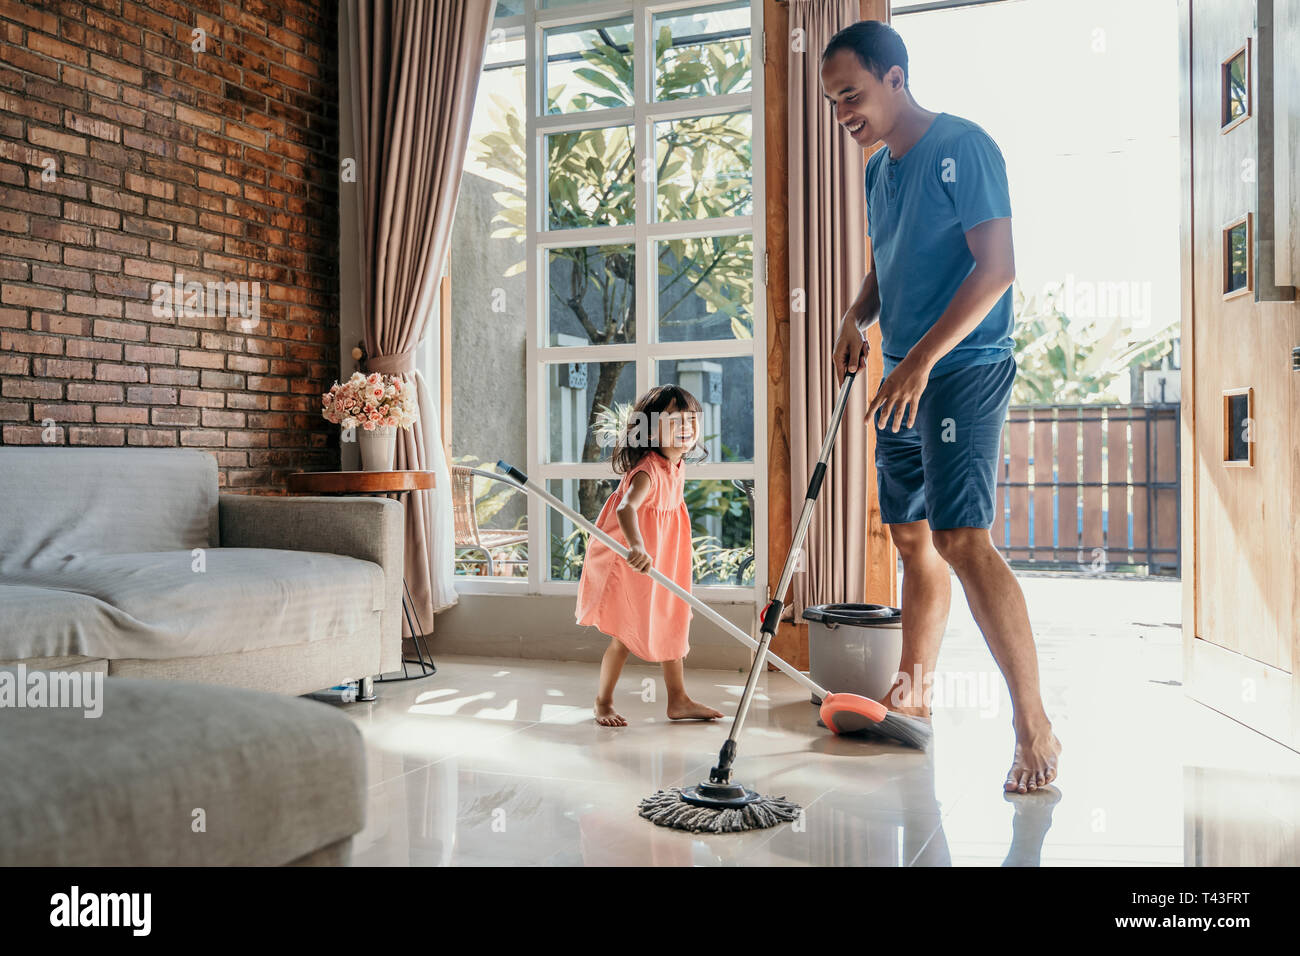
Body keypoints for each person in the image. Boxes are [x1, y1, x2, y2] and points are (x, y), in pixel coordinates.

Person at [821, 20, 1060, 793]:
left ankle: (1033, 725)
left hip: (961, 366)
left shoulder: (966, 146)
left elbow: (998, 268)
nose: (842, 113)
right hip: (903, 370)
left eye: (850, 95)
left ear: (896, 78)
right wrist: (857, 318)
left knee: (962, 538)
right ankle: (913, 697)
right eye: (831, 102)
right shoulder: (878, 171)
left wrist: (921, 357)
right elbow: (888, 262)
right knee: (912, 538)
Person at [575, 385, 725, 727]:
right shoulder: (648, 470)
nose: (685, 426)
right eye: (674, 420)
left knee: (672, 620)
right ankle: (603, 703)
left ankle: (679, 700)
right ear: (650, 429)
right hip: (632, 555)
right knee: (626, 632)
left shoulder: (677, 464)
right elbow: (627, 509)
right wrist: (638, 547)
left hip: (665, 553)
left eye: (691, 419)